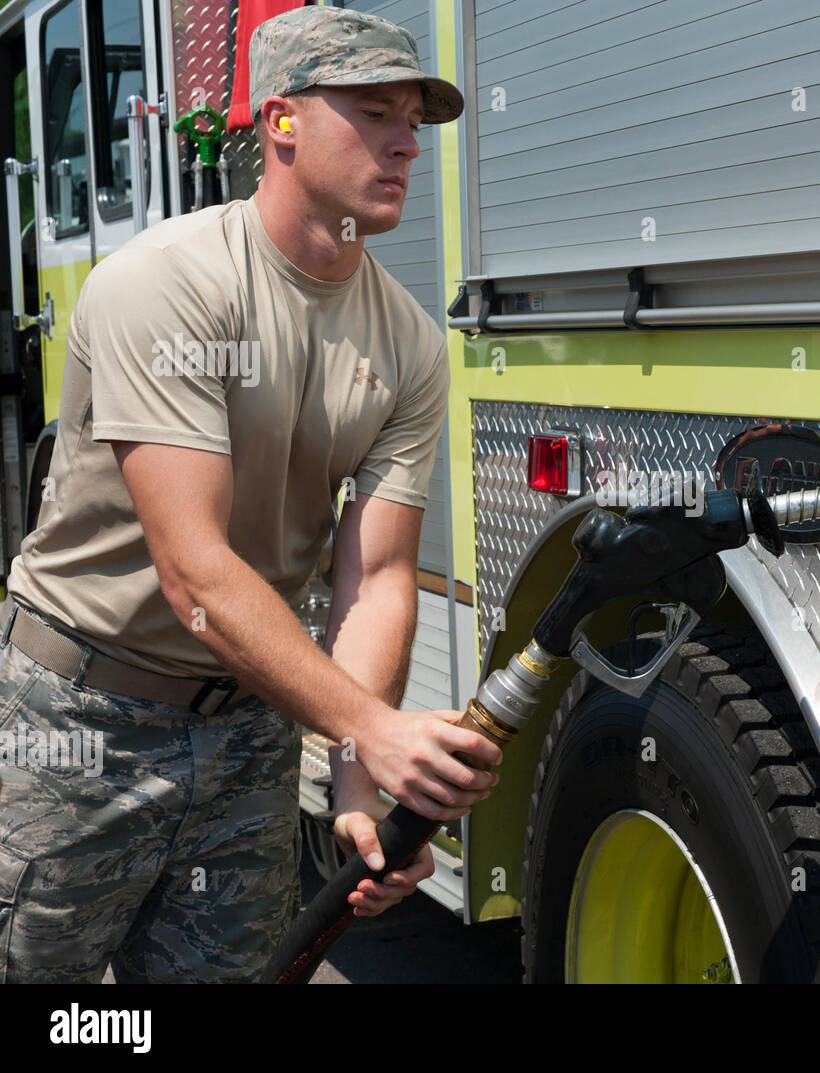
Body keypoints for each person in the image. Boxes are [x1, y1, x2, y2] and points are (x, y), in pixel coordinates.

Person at [0, 5, 499, 984]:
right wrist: (370, 725)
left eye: (413, 118)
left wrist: (360, 786)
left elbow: (380, 573)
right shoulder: (165, 284)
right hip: (81, 715)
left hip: (249, 736)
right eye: (371, 110)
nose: (405, 142)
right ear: (281, 122)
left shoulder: (407, 342)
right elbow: (195, 573)